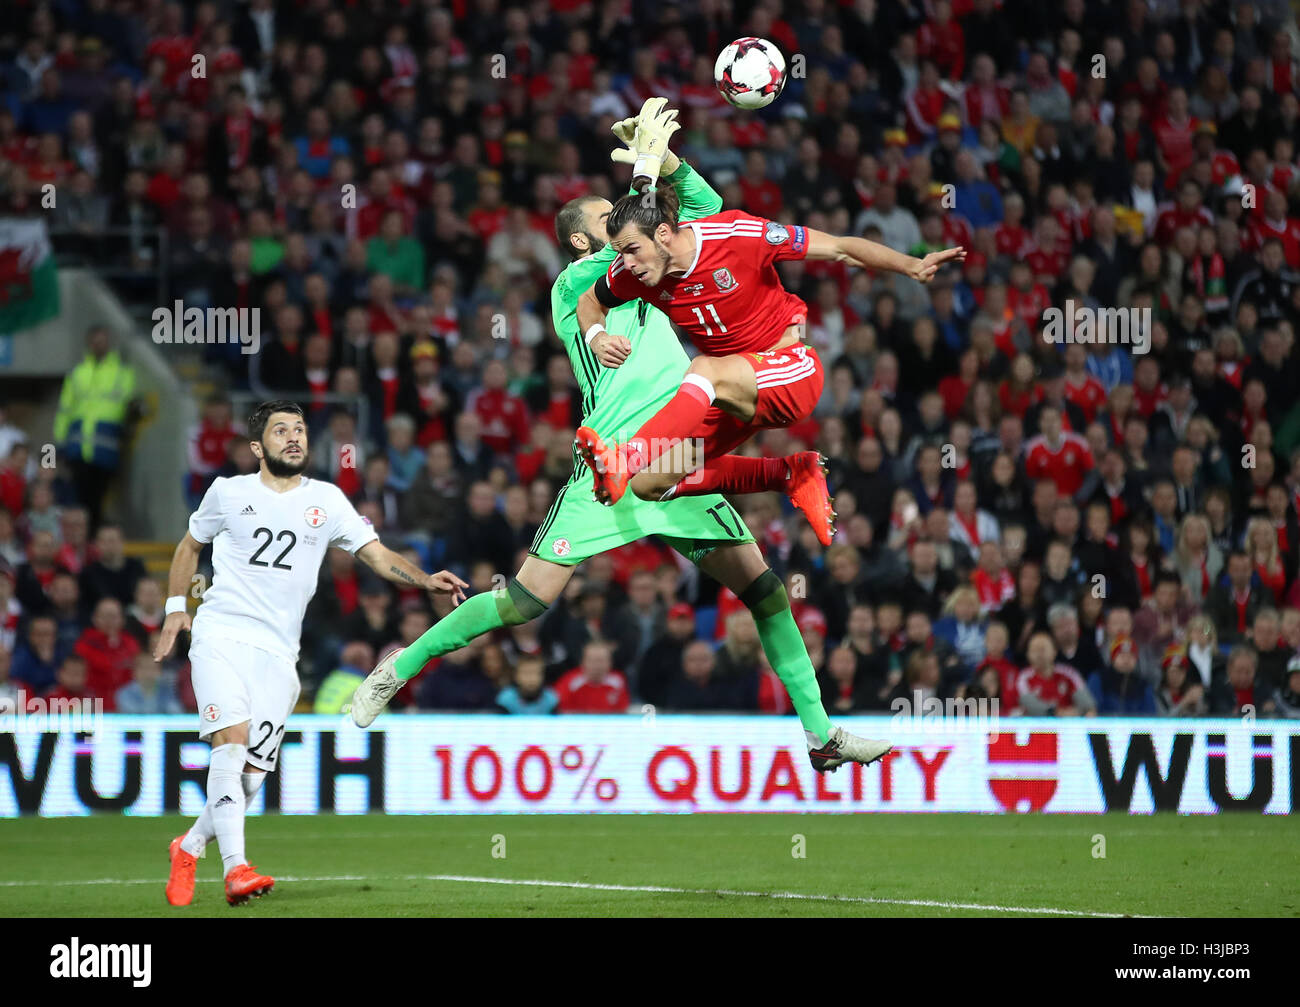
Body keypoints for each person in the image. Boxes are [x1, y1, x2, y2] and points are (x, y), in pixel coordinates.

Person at [350, 101, 892, 773]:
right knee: (523, 601)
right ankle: (398, 668)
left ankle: (821, 735)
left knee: (767, 590)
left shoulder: (660, 265)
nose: (624, 228)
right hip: (604, 461)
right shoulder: (578, 282)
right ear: (584, 242)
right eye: (606, 222)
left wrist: (665, 161)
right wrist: (641, 171)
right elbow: (619, 257)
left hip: (674, 447)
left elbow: (708, 214)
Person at [573, 101, 964, 545]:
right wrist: (597, 334)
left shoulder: (739, 235)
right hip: (733, 386)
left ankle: (623, 459)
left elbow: (839, 248)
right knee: (650, 484)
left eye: (630, 250)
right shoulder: (638, 271)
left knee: (699, 372)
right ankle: (789, 473)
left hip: (790, 370)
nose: (624, 263)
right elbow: (590, 301)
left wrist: (912, 266)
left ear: (664, 235)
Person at [154, 400, 467, 908]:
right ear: (258, 447)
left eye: (299, 429)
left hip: (280, 652)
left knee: (251, 779)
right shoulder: (228, 492)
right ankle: (236, 869)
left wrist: (425, 580)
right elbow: (189, 546)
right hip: (222, 633)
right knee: (230, 743)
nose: (294, 438)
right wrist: (175, 609)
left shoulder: (328, 500)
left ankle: (188, 847)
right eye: (281, 431)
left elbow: (377, 555)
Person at [53, 325, 138, 529]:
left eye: (102, 340)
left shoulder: (122, 373)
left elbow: (128, 404)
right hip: (77, 445)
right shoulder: (78, 372)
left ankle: (93, 540)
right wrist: (60, 441)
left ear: (108, 343)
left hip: (105, 445)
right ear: (89, 343)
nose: (98, 344)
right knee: (79, 498)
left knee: (98, 496)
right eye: (95, 340)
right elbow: (65, 408)